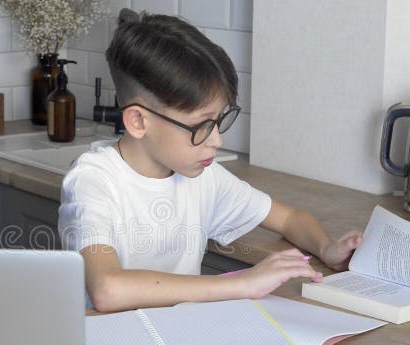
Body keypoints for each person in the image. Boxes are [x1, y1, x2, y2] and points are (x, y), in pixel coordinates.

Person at [58, 9, 361, 312]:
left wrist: (327, 248)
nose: (217, 140)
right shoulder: (93, 180)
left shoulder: (203, 176)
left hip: (180, 341)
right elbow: (107, 289)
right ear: (138, 121)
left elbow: (289, 218)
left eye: (219, 121)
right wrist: (242, 283)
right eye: (200, 126)